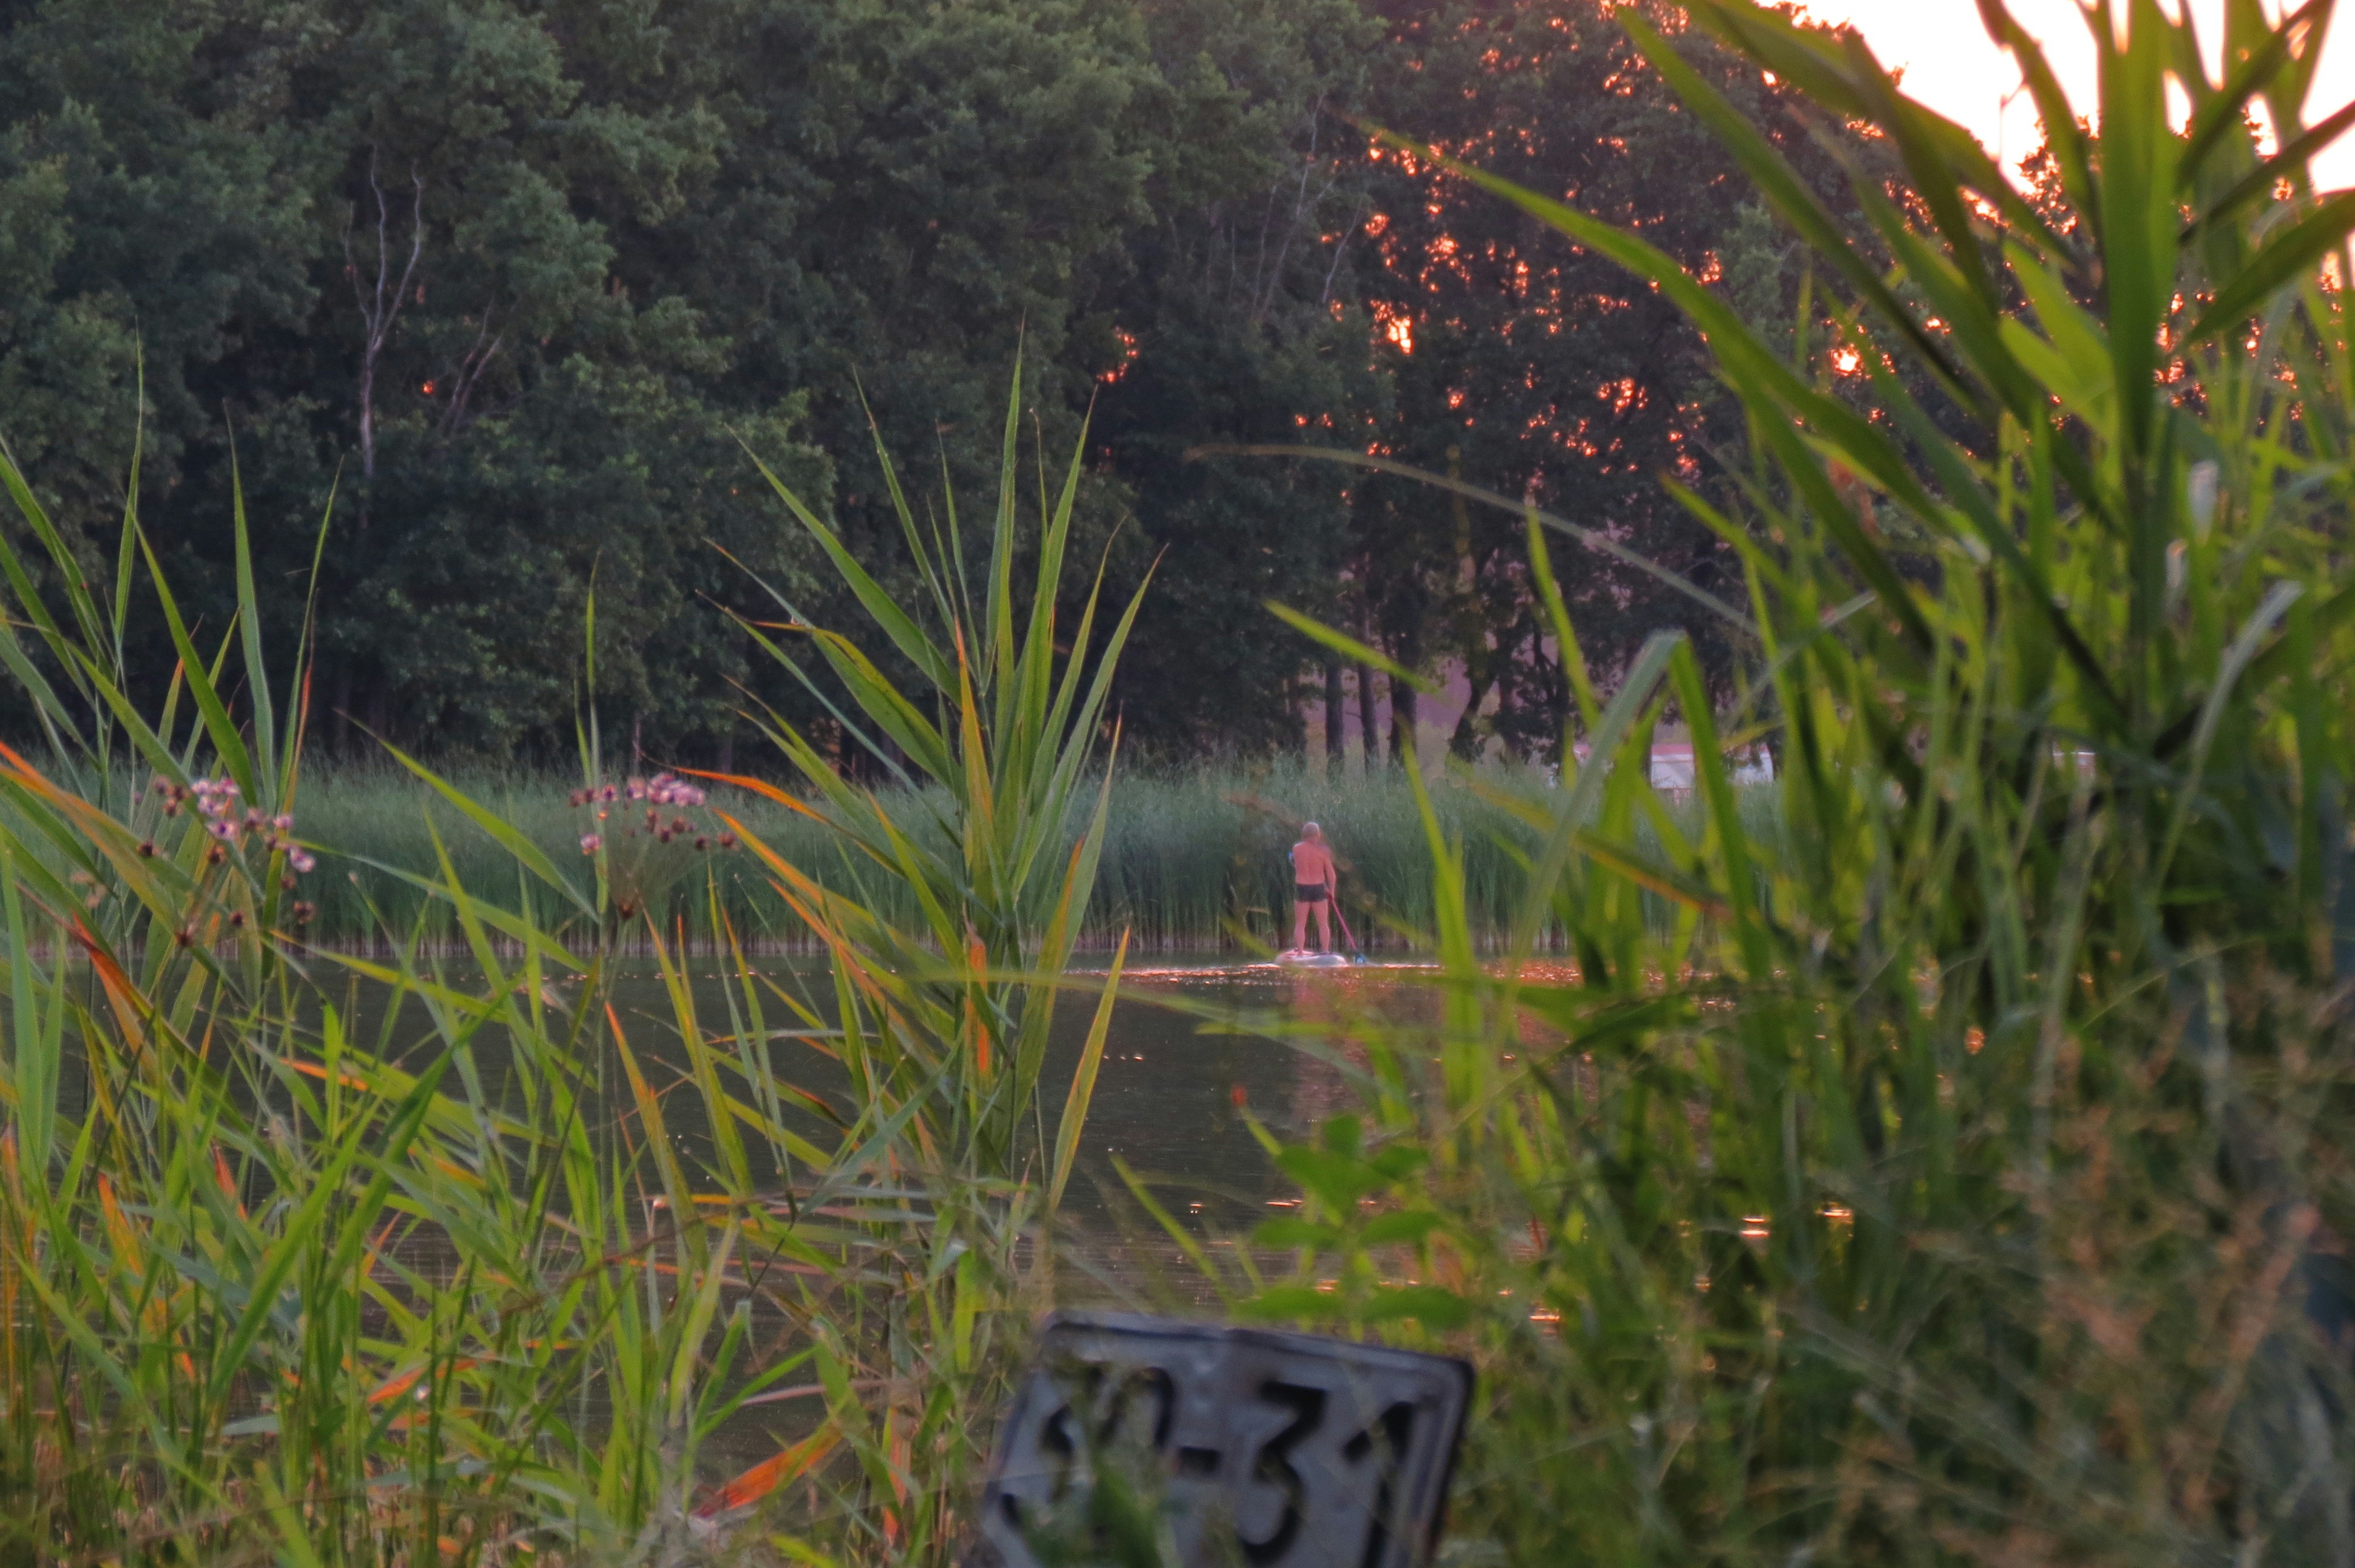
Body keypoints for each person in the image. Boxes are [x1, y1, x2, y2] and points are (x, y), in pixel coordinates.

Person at [1289, 822, 1336, 954]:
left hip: (1302, 887)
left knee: (1300, 923)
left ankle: (1300, 952)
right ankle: (1326, 951)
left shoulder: (1297, 848)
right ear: (1318, 834)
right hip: (1319, 888)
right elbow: (1331, 875)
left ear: (1304, 834)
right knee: (1323, 923)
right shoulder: (1324, 851)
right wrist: (1331, 891)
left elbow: (1296, 863)